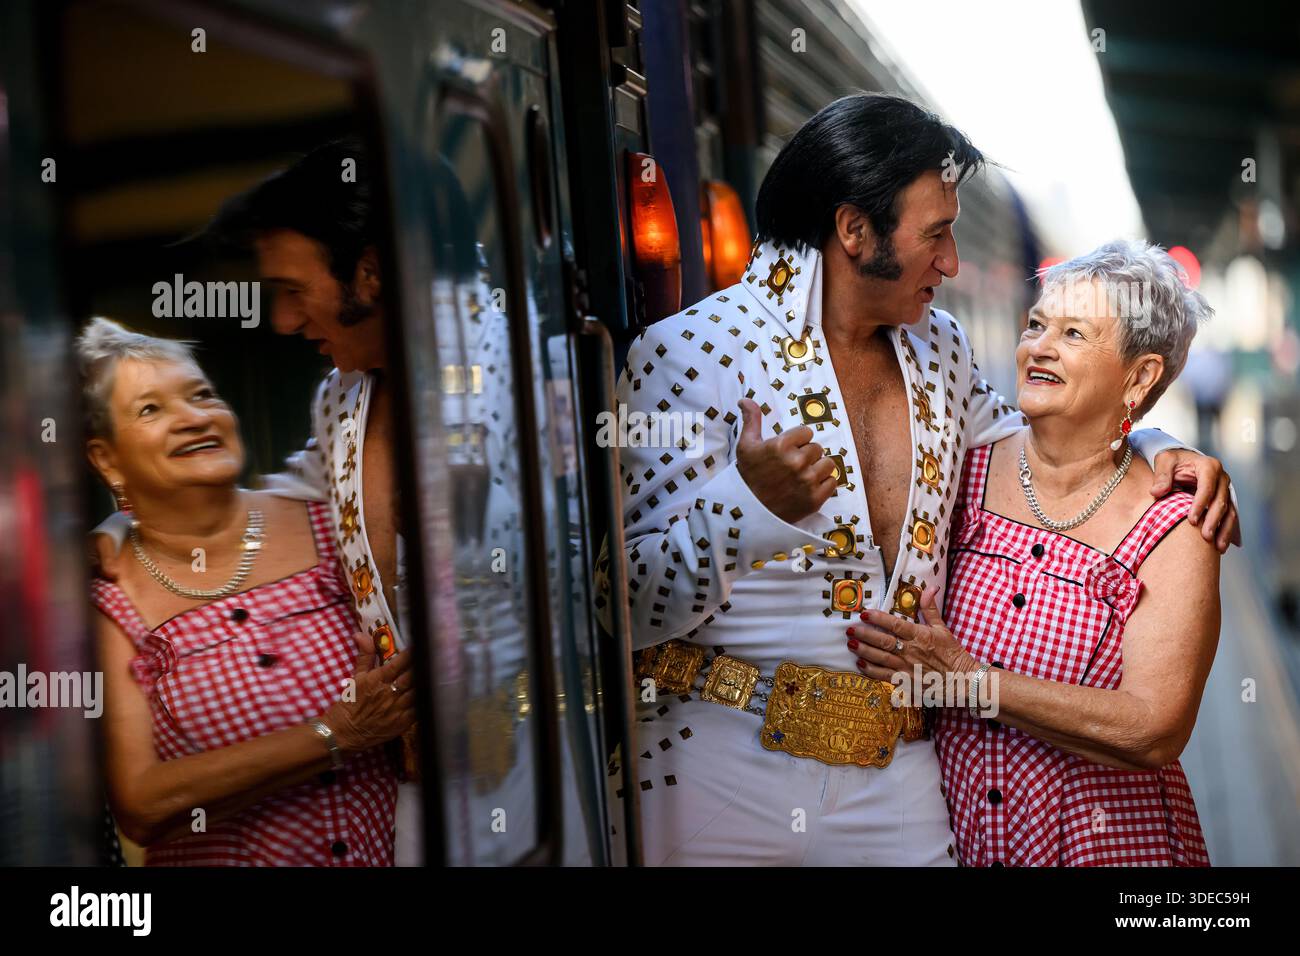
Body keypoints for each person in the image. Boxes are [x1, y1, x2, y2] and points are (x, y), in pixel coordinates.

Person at [595, 93, 1238, 866]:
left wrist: (1160, 442)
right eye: (936, 234)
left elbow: (1039, 436)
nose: (953, 262)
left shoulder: (939, 348)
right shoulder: (689, 353)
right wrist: (744, 510)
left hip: (900, 780)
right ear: (854, 231)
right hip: (719, 779)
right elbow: (616, 606)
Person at [849, 240, 1220, 866]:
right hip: (957, 842)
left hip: (1106, 850)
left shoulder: (1175, 520)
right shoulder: (953, 475)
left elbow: (1153, 729)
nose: (1037, 348)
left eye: (1073, 334)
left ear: (1140, 376)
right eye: (1036, 325)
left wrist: (970, 683)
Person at [82, 317, 413, 865]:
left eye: (203, 395)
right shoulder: (110, 598)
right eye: (150, 409)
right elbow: (142, 805)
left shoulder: (338, 523)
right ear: (106, 458)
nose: (193, 418)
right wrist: (334, 734)